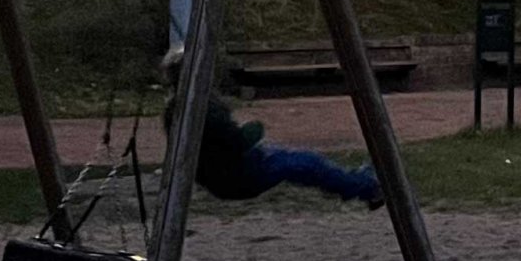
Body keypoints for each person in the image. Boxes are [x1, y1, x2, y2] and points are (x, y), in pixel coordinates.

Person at [160, 47, 383, 206]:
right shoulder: (202, 108)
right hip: (237, 177)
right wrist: (255, 129)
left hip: (220, 176)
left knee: (300, 163)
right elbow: (236, 141)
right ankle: (364, 186)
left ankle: (357, 185)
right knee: (307, 164)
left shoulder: (176, 107)